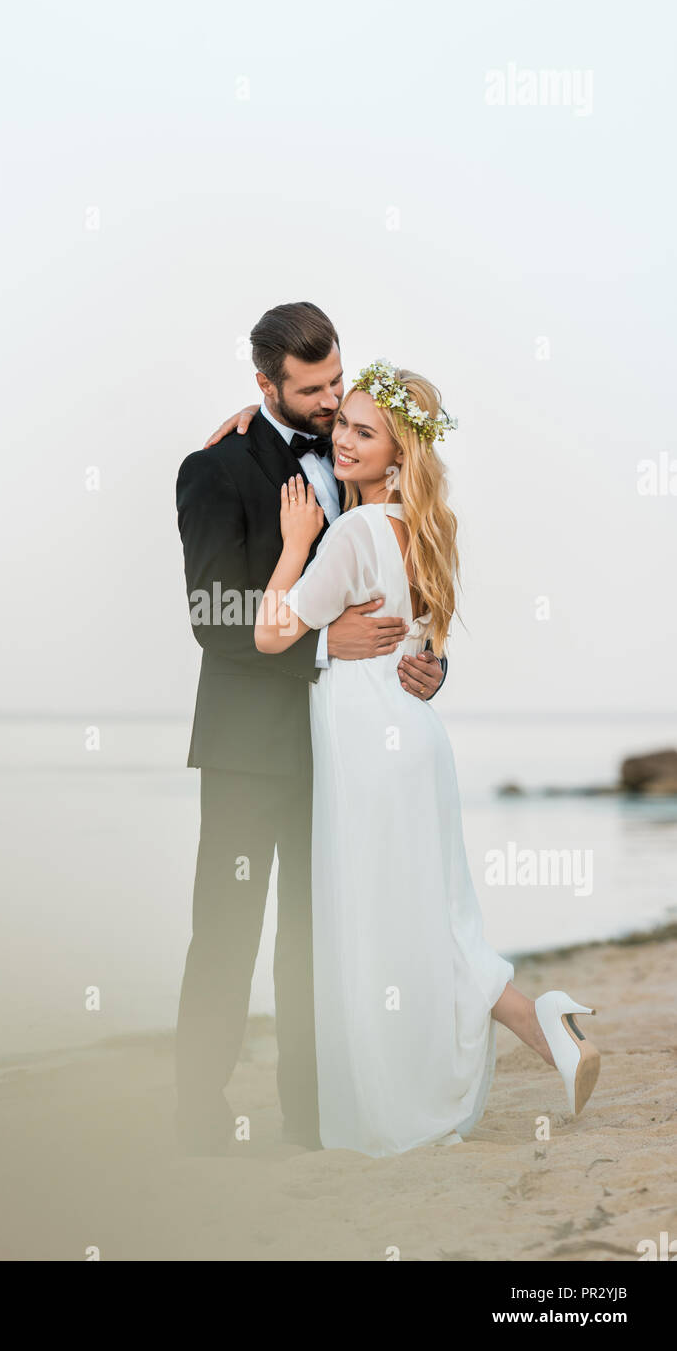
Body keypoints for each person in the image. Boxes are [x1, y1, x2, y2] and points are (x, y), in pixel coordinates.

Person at [252, 359, 600, 1154]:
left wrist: (292, 542)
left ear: (399, 453)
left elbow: (272, 632)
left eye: (363, 432)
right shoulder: (424, 534)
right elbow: (426, 655)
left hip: (367, 754)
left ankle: (428, 1087)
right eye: (342, 424)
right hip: (413, 743)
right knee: (428, 922)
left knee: (384, 931)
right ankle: (542, 1026)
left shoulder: (349, 532)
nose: (342, 439)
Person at [174, 302, 446, 1156]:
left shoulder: (362, 463)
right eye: (311, 389)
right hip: (250, 749)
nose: (332, 403)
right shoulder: (214, 470)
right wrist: (323, 642)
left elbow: (409, 597)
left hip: (346, 746)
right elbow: (212, 616)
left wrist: (429, 667)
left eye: (337, 381)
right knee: (226, 928)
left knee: (317, 934)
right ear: (265, 385)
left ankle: (309, 1115)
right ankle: (197, 1116)